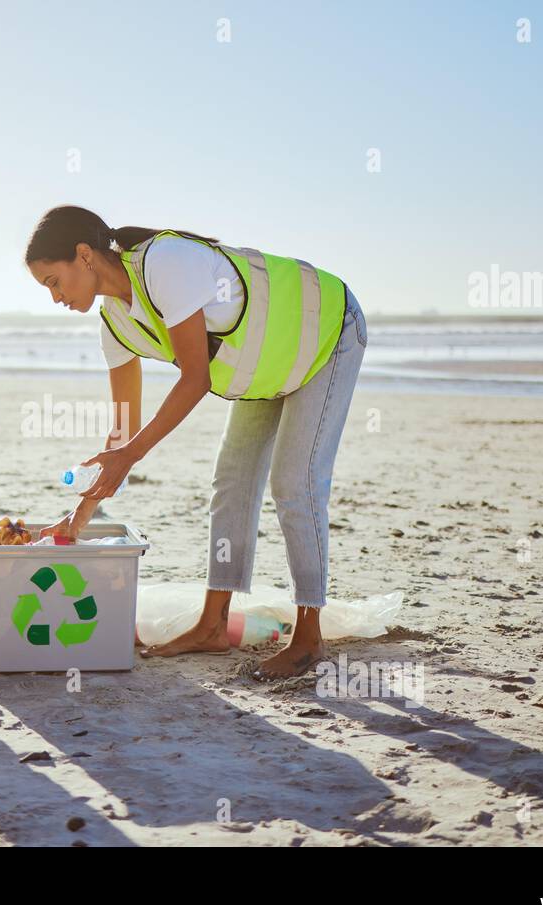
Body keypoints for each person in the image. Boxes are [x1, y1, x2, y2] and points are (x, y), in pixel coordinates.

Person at [28, 206, 367, 678]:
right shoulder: (114, 323)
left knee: (293, 482)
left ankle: (308, 638)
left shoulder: (165, 262)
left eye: (53, 281)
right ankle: (213, 624)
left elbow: (194, 378)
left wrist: (129, 455)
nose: (55, 296)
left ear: (84, 256)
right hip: (265, 368)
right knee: (231, 481)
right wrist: (77, 518)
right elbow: (121, 433)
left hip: (326, 332)